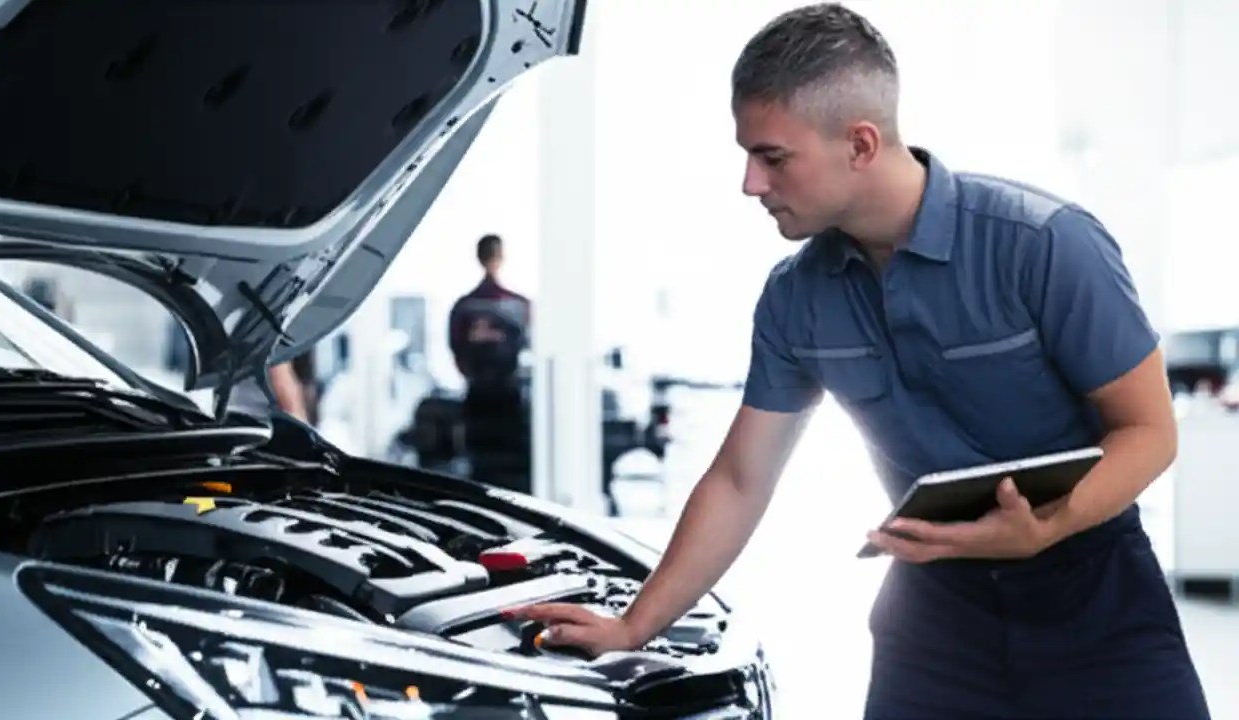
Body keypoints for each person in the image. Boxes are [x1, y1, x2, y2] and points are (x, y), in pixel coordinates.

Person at [509, 4, 1211, 719]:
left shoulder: (1045, 245)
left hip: (1098, 600)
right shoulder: (795, 297)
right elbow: (741, 479)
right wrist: (635, 624)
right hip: (935, 619)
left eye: (772, 157)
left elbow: (1149, 431)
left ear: (862, 144)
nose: (751, 184)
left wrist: (1048, 526)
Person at [448, 234, 533, 492]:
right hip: (509, 399)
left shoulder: (463, 307)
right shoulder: (520, 306)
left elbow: (456, 352)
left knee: (479, 473)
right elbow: (527, 347)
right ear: (501, 257)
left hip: (478, 397)